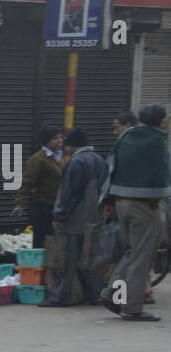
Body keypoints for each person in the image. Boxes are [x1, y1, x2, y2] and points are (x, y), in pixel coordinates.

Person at [98, 103, 171, 322]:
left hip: (121, 203)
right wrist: (157, 202)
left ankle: (113, 293)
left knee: (131, 253)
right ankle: (132, 308)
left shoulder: (126, 137)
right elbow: (161, 176)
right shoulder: (156, 141)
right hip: (145, 207)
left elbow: (111, 167)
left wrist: (109, 200)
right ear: (160, 121)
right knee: (142, 257)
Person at [40, 126, 106, 307]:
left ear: (73, 145)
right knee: (91, 259)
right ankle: (94, 295)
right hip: (95, 219)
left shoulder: (75, 162)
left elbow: (69, 193)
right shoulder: (100, 161)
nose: (63, 147)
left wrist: (59, 216)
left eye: (66, 144)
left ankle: (63, 296)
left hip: (74, 220)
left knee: (67, 260)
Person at [14, 125, 63, 249]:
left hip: (57, 206)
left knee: (56, 240)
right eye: (55, 138)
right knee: (41, 240)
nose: (60, 141)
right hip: (42, 207)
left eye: (61, 137)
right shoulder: (38, 159)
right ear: (47, 141)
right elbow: (27, 182)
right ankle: (39, 266)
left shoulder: (62, 158)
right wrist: (20, 203)